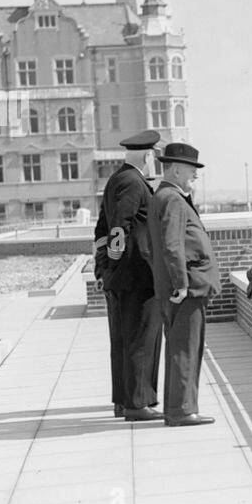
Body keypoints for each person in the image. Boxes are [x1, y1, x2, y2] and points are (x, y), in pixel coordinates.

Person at [147, 142, 221, 426]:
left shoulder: (163, 195)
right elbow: (172, 245)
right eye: (193, 170)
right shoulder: (174, 199)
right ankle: (182, 410)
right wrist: (180, 284)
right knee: (186, 349)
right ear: (176, 170)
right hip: (186, 290)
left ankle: (176, 408)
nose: (196, 176)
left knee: (180, 347)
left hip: (179, 288)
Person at [94, 129, 164, 421]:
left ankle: (124, 401)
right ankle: (138, 404)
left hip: (120, 277)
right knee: (140, 339)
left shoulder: (116, 180)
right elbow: (119, 228)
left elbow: (101, 229)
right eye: (153, 156)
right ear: (147, 155)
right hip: (135, 276)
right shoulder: (135, 183)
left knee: (122, 340)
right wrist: (113, 263)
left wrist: (103, 267)